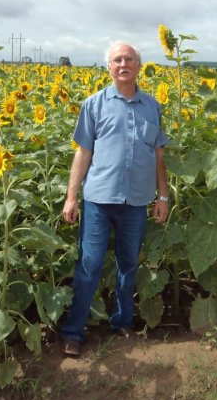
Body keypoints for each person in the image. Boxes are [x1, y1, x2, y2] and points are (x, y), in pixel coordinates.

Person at [60, 41, 170, 357]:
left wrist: (163, 196)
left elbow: (158, 155)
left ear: (138, 66)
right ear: (109, 67)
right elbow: (83, 153)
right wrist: (71, 197)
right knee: (89, 265)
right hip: (99, 199)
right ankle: (74, 332)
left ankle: (122, 322)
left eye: (129, 59)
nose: (123, 64)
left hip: (136, 201)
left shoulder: (152, 106)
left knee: (128, 264)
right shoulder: (93, 104)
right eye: (117, 60)